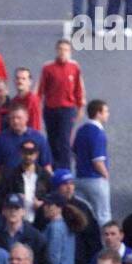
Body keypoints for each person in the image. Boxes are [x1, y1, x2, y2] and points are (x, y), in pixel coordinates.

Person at [37, 38, 85, 171]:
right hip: (50, 109)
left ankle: (65, 171)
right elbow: (41, 89)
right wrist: (36, 105)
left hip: (67, 109)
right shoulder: (48, 68)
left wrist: (80, 106)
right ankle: (52, 170)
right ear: (56, 51)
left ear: (70, 52)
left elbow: (78, 89)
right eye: (61, 50)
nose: (63, 53)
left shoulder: (74, 67)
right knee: (52, 140)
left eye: (66, 50)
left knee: (64, 140)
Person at [72, 99, 111, 229]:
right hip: (95, 179)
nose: (108, 114)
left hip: (80, 178)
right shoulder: (98, 133)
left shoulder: (81, 130)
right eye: (106, 111)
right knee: (103, 216)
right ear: (98, 113)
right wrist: (105, 175)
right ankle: (105, 246)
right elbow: (97, 161)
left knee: (82, 215)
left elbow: (74, 152)